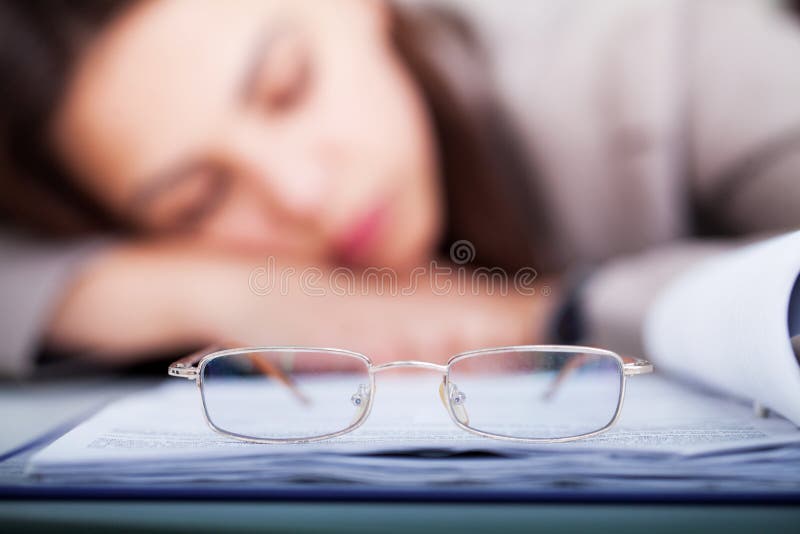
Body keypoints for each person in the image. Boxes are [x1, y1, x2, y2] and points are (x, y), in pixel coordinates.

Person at [1, 0, 799, 377]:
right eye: (198, 201)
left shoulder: (665, 50)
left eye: (289, 86)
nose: (302, 192)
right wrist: (197, 293)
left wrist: (540, 318)